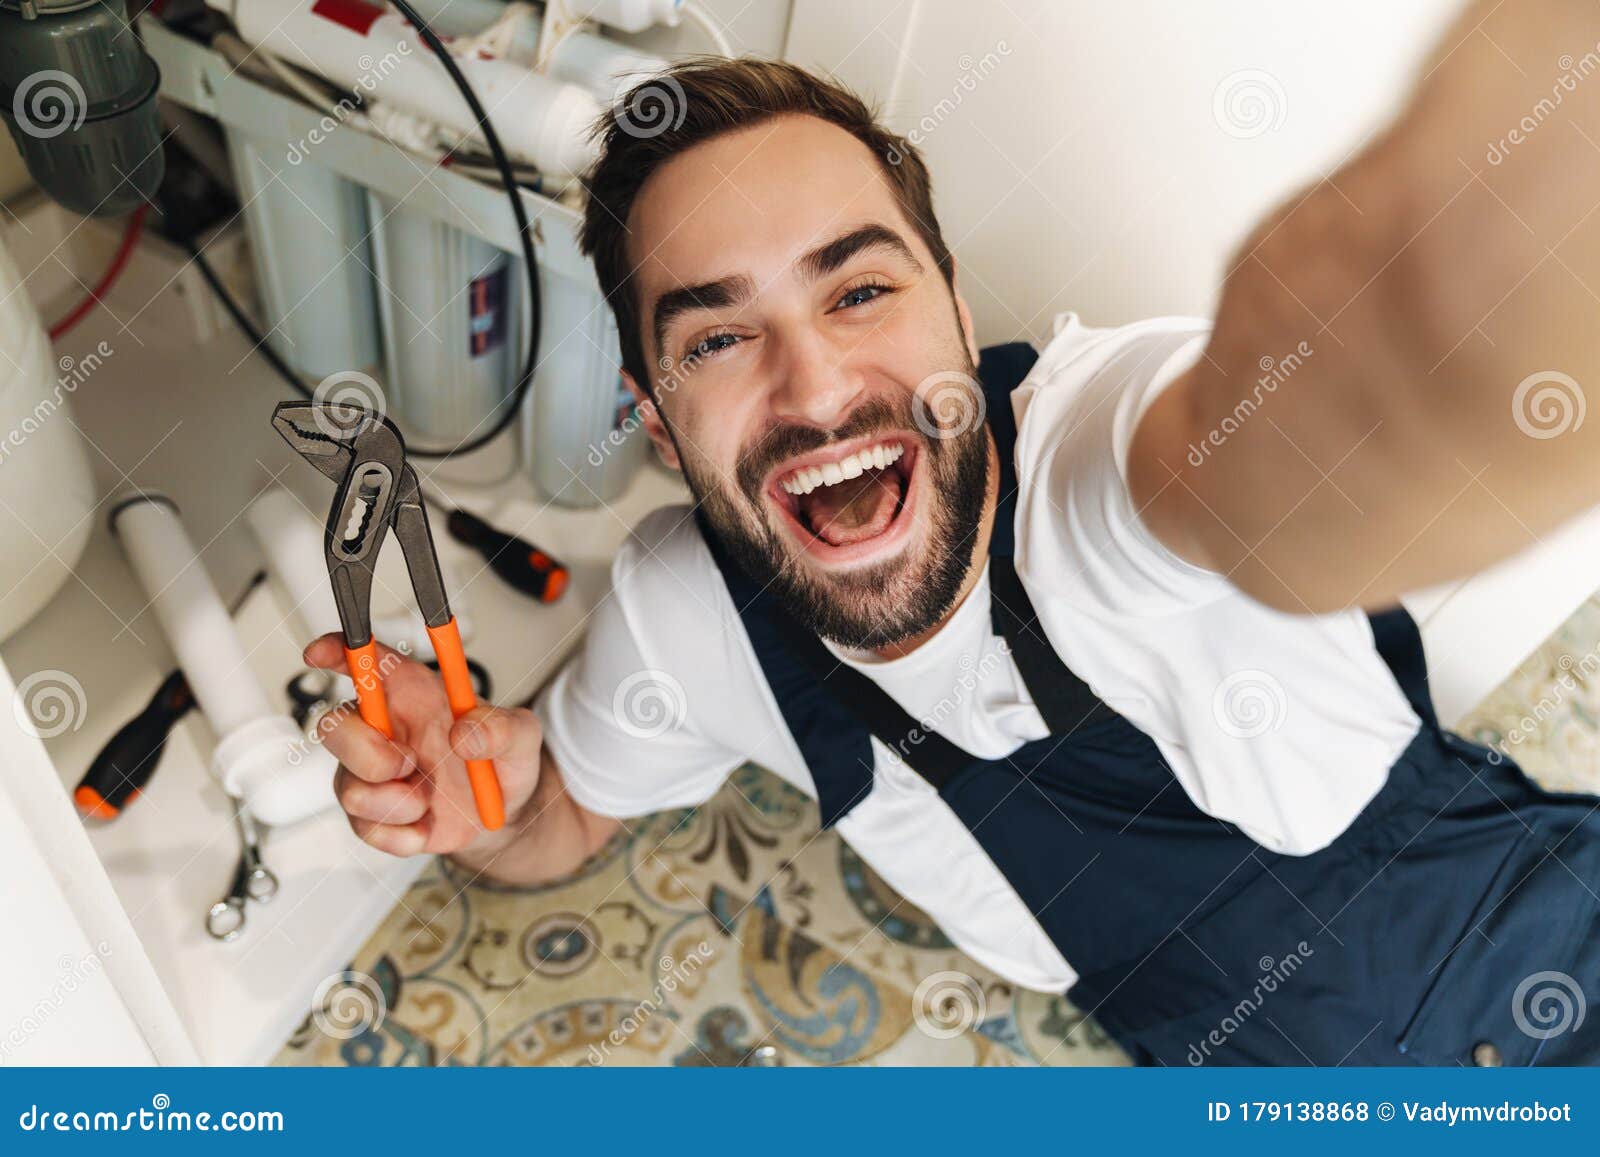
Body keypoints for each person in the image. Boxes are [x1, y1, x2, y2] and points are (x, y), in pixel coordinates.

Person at [306, 2, 1600, 1065]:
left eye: (861, 288)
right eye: (716, 336)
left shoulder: (1102, 466)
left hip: (1544, 953)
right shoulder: (685, 615)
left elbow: (1358, 395)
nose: (813, 388)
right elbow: (563, 821)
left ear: (958, 313)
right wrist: (476, 798)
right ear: (656, 418)